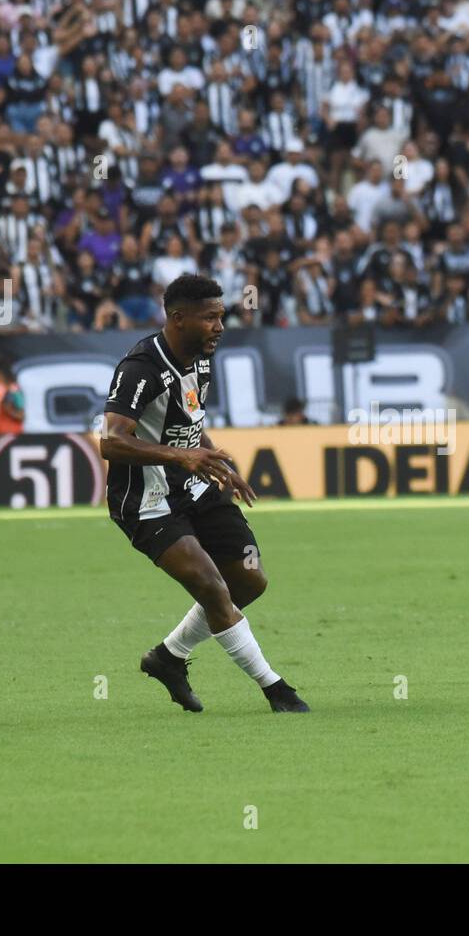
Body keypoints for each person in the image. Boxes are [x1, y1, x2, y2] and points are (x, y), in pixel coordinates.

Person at [100, 274, 309, 714]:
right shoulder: (141, 367)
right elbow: (112, 441)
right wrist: (182, 456)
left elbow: (187, 421)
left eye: (221, 316)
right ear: (178, 319)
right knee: (213, 587)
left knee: (249, 579)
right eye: (210, 317)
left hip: (196, 483)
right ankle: (277, 690)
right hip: (147, 500)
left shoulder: (201, 357)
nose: (219, 326)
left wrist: (212, 458)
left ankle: (167, 658)